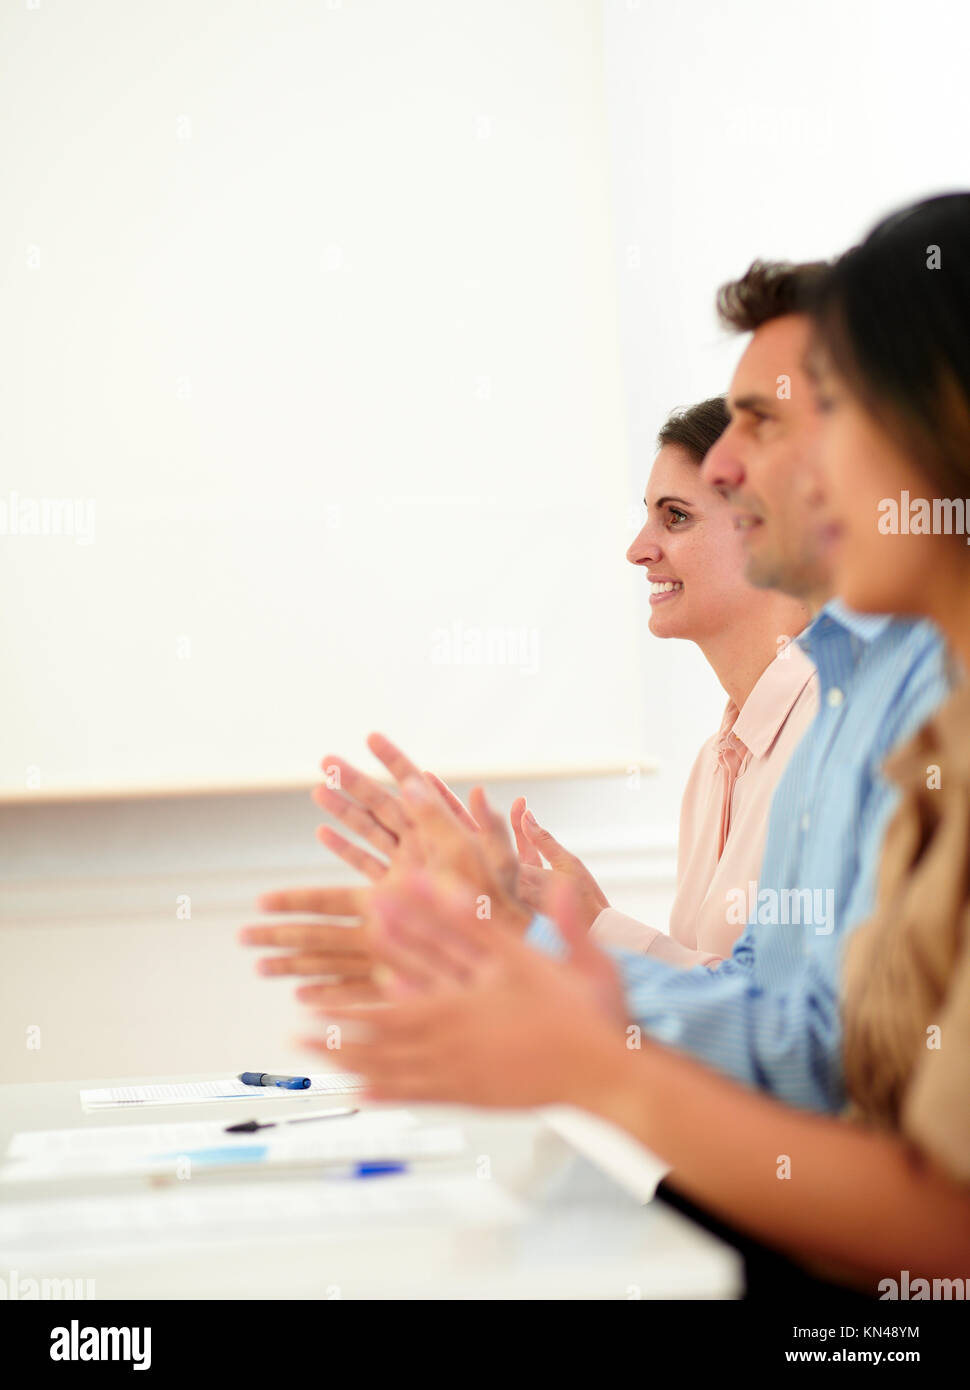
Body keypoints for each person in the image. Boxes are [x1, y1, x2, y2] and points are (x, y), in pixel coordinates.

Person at [308, 198, 970, 1295]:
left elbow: (913, 1184)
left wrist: (564, 1008)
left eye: (792, 415)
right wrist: (526, 949)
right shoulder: (853, 705)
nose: (737, 469)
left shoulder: (888, 699)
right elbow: (789, 1011)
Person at [239, 395, 817, 990]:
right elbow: (719, 1023)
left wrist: (583, 932)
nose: (638, 548)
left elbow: (790, 1032)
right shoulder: (714, 767)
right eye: (647, 515)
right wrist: (572, 926)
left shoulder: (837, 740)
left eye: (675, 517)